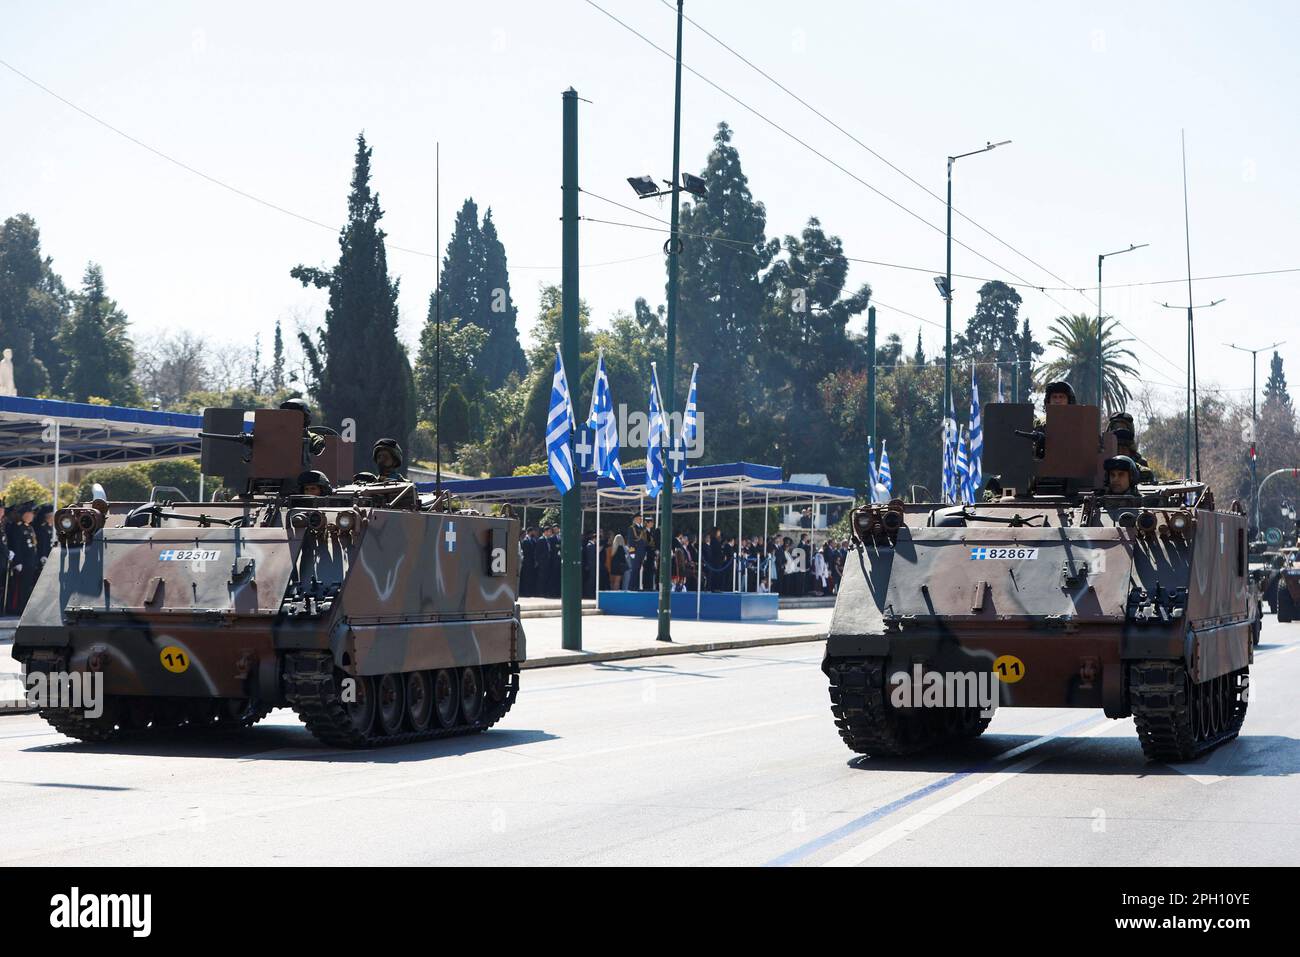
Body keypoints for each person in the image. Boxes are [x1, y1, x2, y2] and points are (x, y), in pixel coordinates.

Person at [7, 503, 39, 615]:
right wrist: (17, 562)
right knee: (20, 588)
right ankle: (18, 608)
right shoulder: (18, 527)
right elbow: (16, 546)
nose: (32, 516)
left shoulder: (29, 527)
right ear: (25, 514)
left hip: (30, 563)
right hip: (22, 563)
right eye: (30, 514)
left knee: (27, 587)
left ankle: (24, 608)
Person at [625, 514, 648, 590]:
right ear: (635, 519)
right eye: (639, 518)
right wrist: (632, 553)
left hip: (641, 552)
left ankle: (636, 587)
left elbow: (644, 541)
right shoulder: (632, 528)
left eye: (641, 518)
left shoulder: (641, 528)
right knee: (634, 570)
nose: (641, 520)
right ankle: (631, 587)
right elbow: (630, 541)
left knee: (638, 570)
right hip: (635, 552)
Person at [519, 526, 539, 597]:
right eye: (533, 531)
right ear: (530, 532)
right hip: (527, 562)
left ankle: (530, 591)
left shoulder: (533, 540)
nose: (534, 533)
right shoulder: (525, 540)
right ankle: (525, 592)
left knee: (531, 577)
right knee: (526, 578)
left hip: (532, 562)